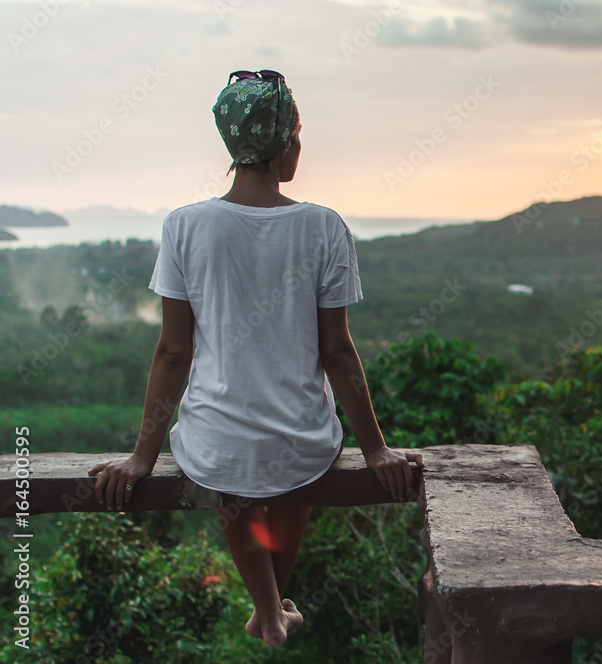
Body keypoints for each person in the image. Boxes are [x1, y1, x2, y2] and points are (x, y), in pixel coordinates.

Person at [87, 69, 423, 649]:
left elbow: (172, 351)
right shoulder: (324, 226)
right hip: (302, 438)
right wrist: (375, 448)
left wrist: (143, 456)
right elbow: (337, 351)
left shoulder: (185, 225)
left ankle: (268, 612)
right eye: (298, 134)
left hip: (215, 440)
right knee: (295, 465)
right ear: (284, 141)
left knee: (233, 464)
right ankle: (271, 613)